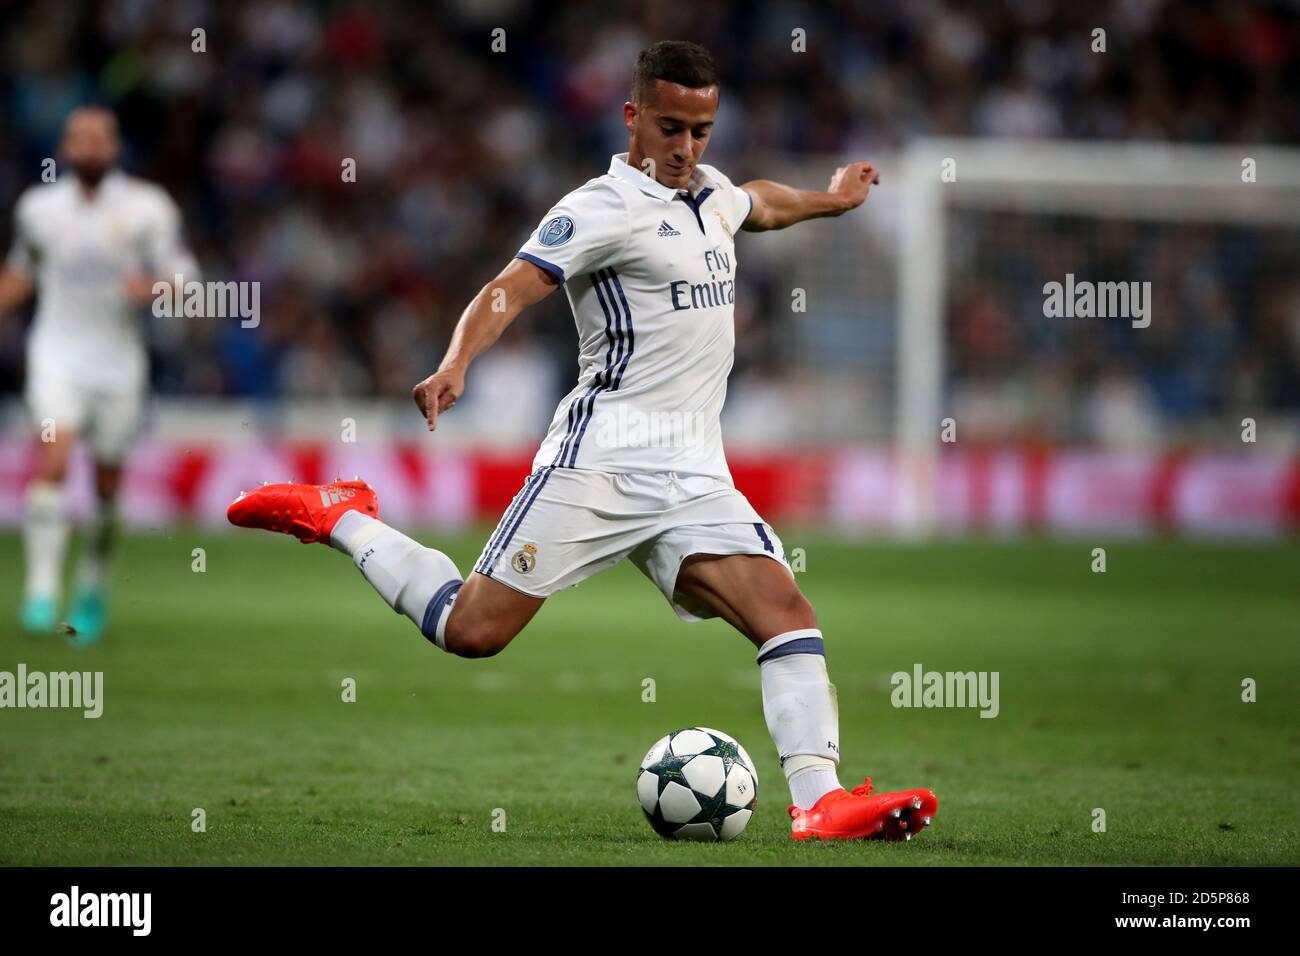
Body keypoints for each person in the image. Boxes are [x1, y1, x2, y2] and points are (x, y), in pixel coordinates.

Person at [229, 41, 937, 841]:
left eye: (701, 131)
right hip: (599, 462)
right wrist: (457, 360)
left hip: (696, 471)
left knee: (787, 614)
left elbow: (759, 202)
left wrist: (831, 201)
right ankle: (341, 515)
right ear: (633, 117)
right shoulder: (600, 208)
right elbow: (510, 287)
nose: (686, 148)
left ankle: (820, 800)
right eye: (670, 128)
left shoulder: (711, 193)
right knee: (473, 631)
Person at [0, 107, 197, 644]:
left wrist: (155, 288)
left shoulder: (146, 208)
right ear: (65, 148)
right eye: (78, 138)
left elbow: (186, 278)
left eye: (97, 138)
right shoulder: (40, 208)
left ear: (113, 148)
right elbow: (20, 274)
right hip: (56, 353)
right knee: (55, 459)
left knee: (108, 486)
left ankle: (92, 582)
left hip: (117, 363)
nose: (87, 147)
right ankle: (41, 591)